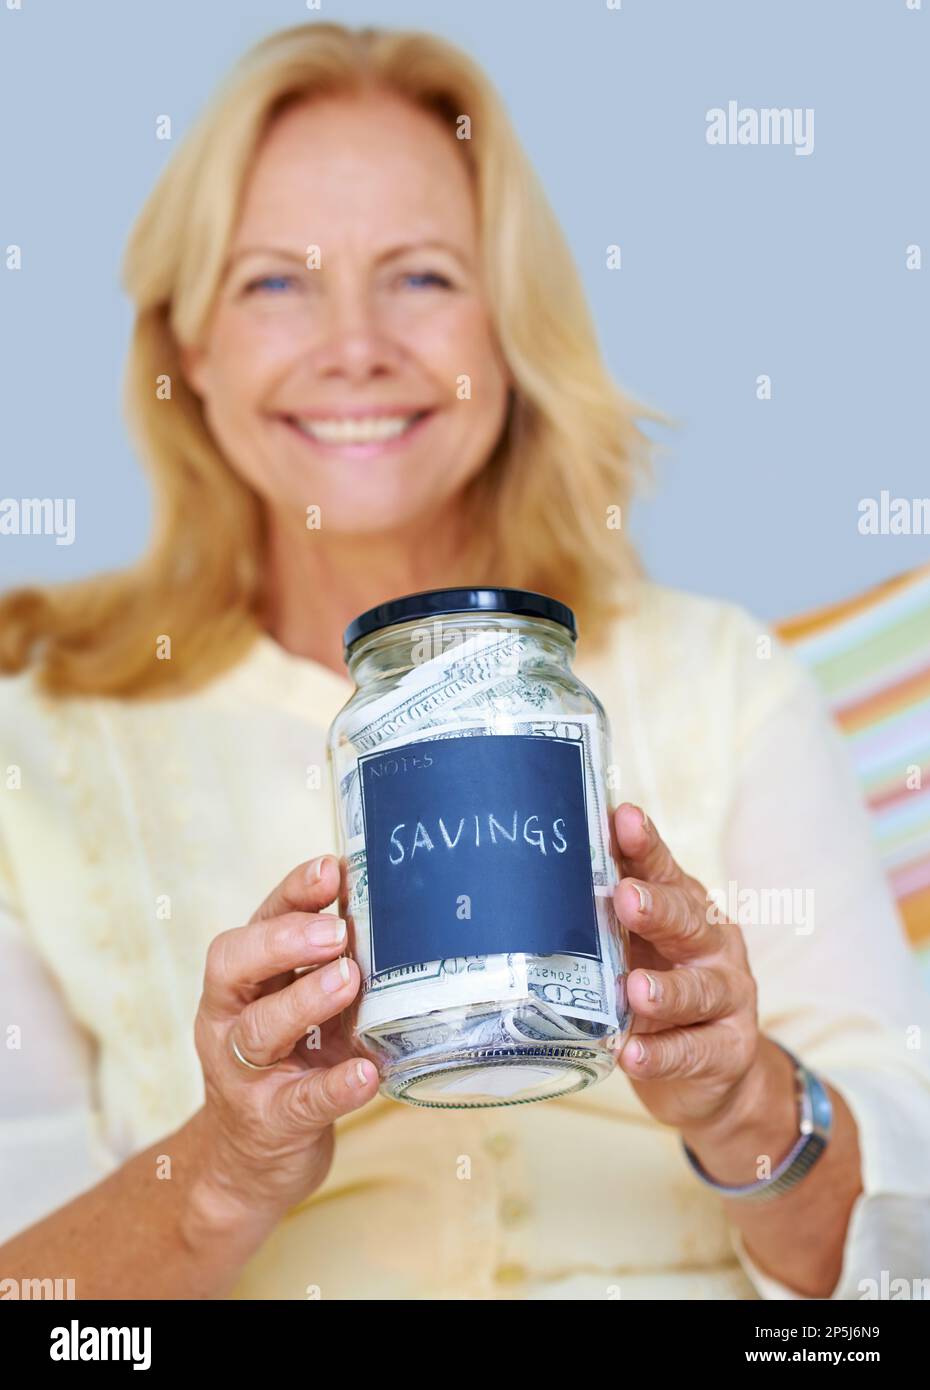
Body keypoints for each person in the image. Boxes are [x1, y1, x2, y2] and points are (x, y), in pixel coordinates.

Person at [0, 21, 927, 1301]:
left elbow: (896, 1271)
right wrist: (223, 1169)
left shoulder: (719, 675)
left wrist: (745, 1102)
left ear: (510, 327)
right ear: (190, 347)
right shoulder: (37, 744)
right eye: (274, 284)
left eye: (423, 277)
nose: (355, 345)